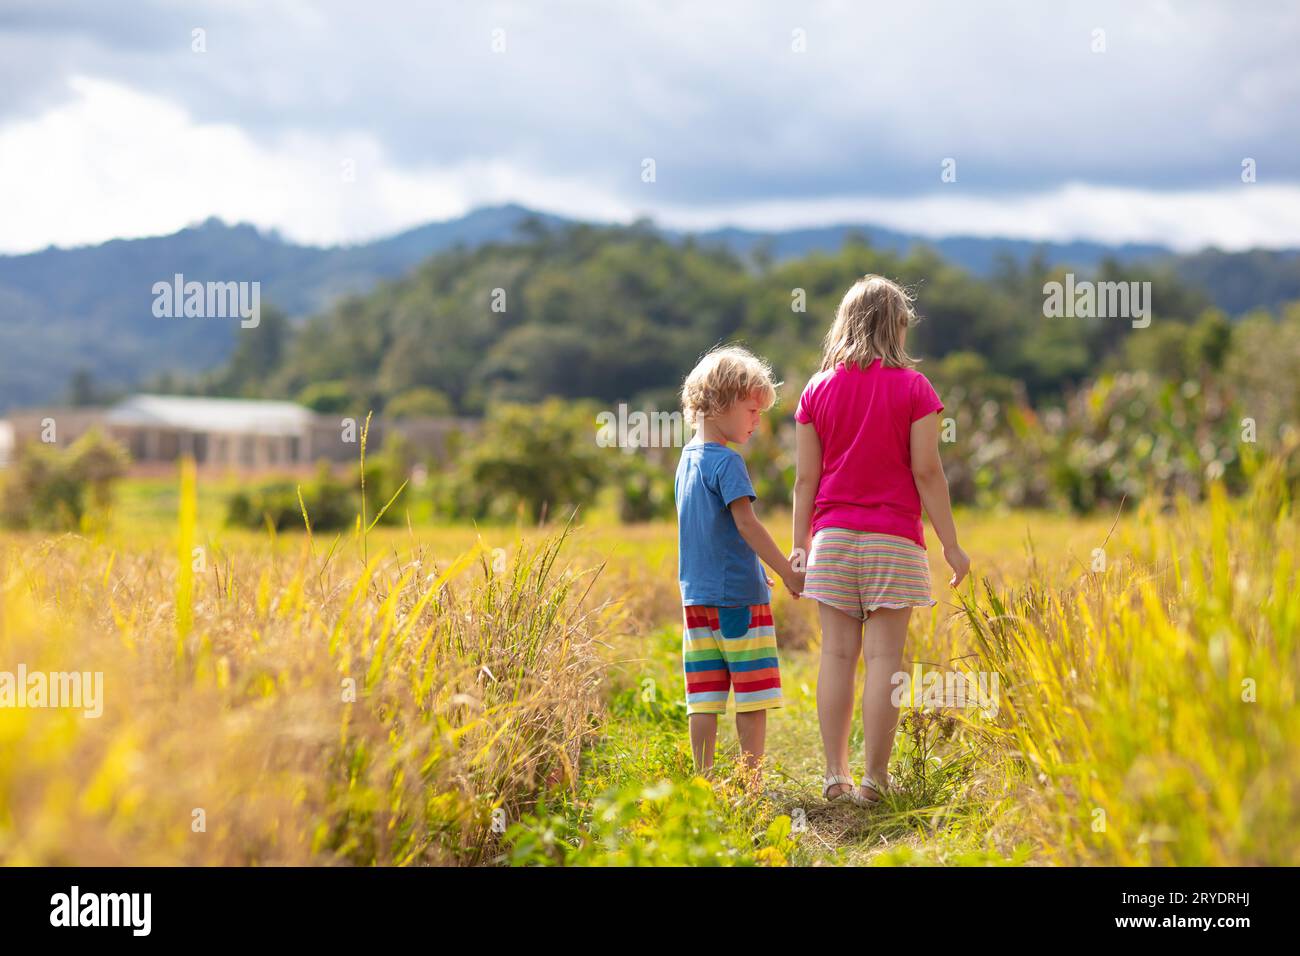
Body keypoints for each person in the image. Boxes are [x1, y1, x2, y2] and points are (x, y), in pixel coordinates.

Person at [791, 275, 971, 805]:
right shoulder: (916, 389)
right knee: (885, 661)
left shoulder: (815, 390)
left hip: (831, 541)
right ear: (897, 326)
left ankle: (833, 775)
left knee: (837, 657)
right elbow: (928, 473)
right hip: (894, 542)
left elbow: (805, 480)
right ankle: (874, 780)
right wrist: (951, 545)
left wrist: (800, 548)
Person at [674, 344, 804, 783]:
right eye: (751, 410)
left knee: (704, 698)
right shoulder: (727, 461)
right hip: (739, 605)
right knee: (752, 695)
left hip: (696, 601)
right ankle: (750, 785)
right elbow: (746, 525)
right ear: (720, 403)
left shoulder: (686, 461)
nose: (757, 421)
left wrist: (752, 566)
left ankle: (704, 782)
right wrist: (787, 569)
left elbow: (712, 534)